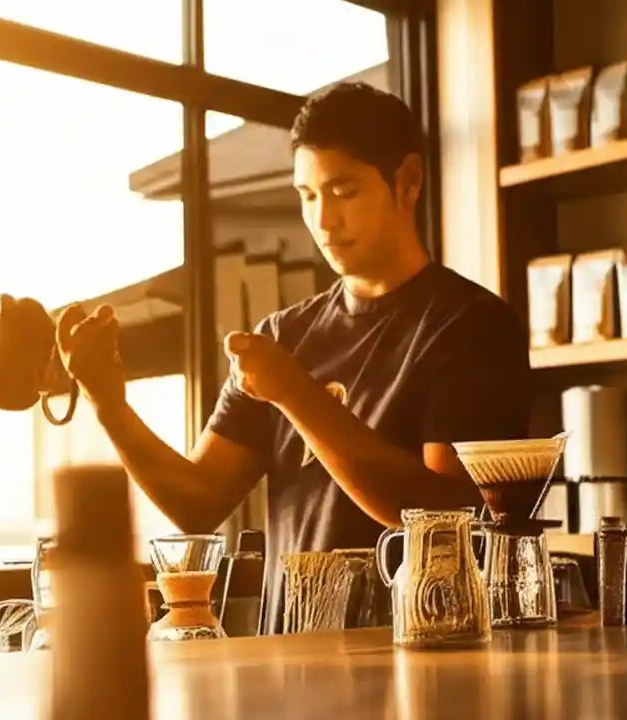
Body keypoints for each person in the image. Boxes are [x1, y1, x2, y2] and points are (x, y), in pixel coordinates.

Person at [55, 82, 531, 634]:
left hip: (418, 660)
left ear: (407, 182)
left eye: (343, 191)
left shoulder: (469, 325)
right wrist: (109, 404)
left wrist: (294, 392)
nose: (323, 220)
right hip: (291, 661)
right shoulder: (285, 335)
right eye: (307, 195)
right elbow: (197, 502)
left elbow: (445, 515)